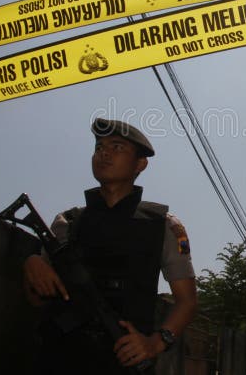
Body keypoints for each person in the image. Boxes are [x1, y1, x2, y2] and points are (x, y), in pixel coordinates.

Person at [23, 119, 197, 374]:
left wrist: (157, 342)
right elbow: (36, 300)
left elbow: (187, 301)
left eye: (117, 147)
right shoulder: (67, 223)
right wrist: (32, 266)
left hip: (123, 362)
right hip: (59, 357)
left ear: (140, 164)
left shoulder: (164, 225)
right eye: (99, 147)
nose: (104, 153)